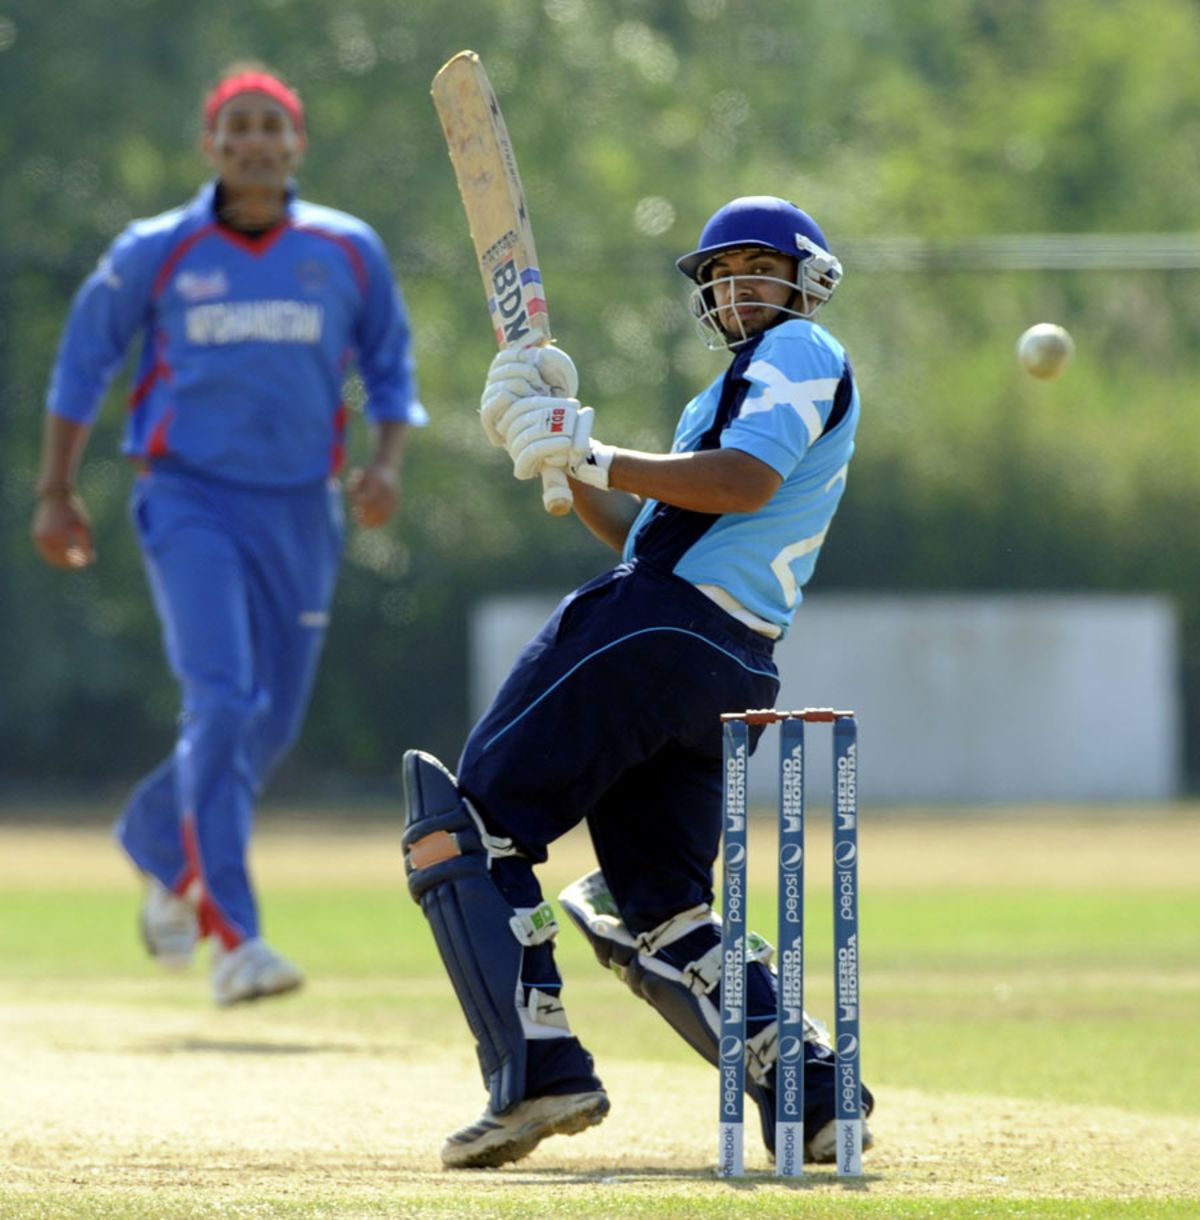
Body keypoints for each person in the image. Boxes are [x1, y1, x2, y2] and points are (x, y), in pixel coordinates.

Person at [401, 195, 874, 1169]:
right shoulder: (727, 390)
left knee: (463, 827)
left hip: (659, 625)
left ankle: (538, 1070)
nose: (738, 286)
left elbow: (740, 483)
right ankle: (814, 1092)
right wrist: (554, 455)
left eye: (758, 268)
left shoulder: (798, 351)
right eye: (721, 271)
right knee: (656, 905)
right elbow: (654, 523)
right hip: (728, 665)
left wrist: (593, 446)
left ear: (806, 279)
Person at [31, 62, 426, 1007]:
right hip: (187, 497)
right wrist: (55, 490)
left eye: (271, 127)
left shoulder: (347, 249)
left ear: (298, 145)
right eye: (236, 127)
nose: (254, 141)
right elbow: (84, 368)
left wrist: (385, 468)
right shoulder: (156, 248)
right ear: (209, 145)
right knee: (223, 699)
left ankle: (159, 844)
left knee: (271, 719)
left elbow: (391, 368)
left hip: (302, 506)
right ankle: (236, 937)